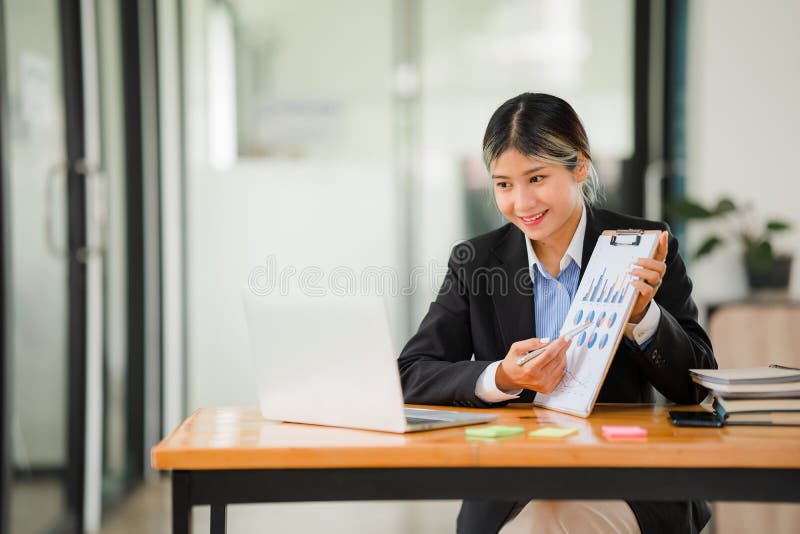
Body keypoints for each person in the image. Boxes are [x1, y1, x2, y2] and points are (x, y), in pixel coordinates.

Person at [397, 93, 717, 534]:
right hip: (513, 481)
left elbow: (695, 386)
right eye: (504, 184)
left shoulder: (648, 246)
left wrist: (642, 316)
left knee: (548, 524)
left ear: (579, 167)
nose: (521, 202)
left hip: (624, 475)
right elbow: (411, 372)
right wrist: (503, 378)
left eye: (537, 178)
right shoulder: (476, 261)